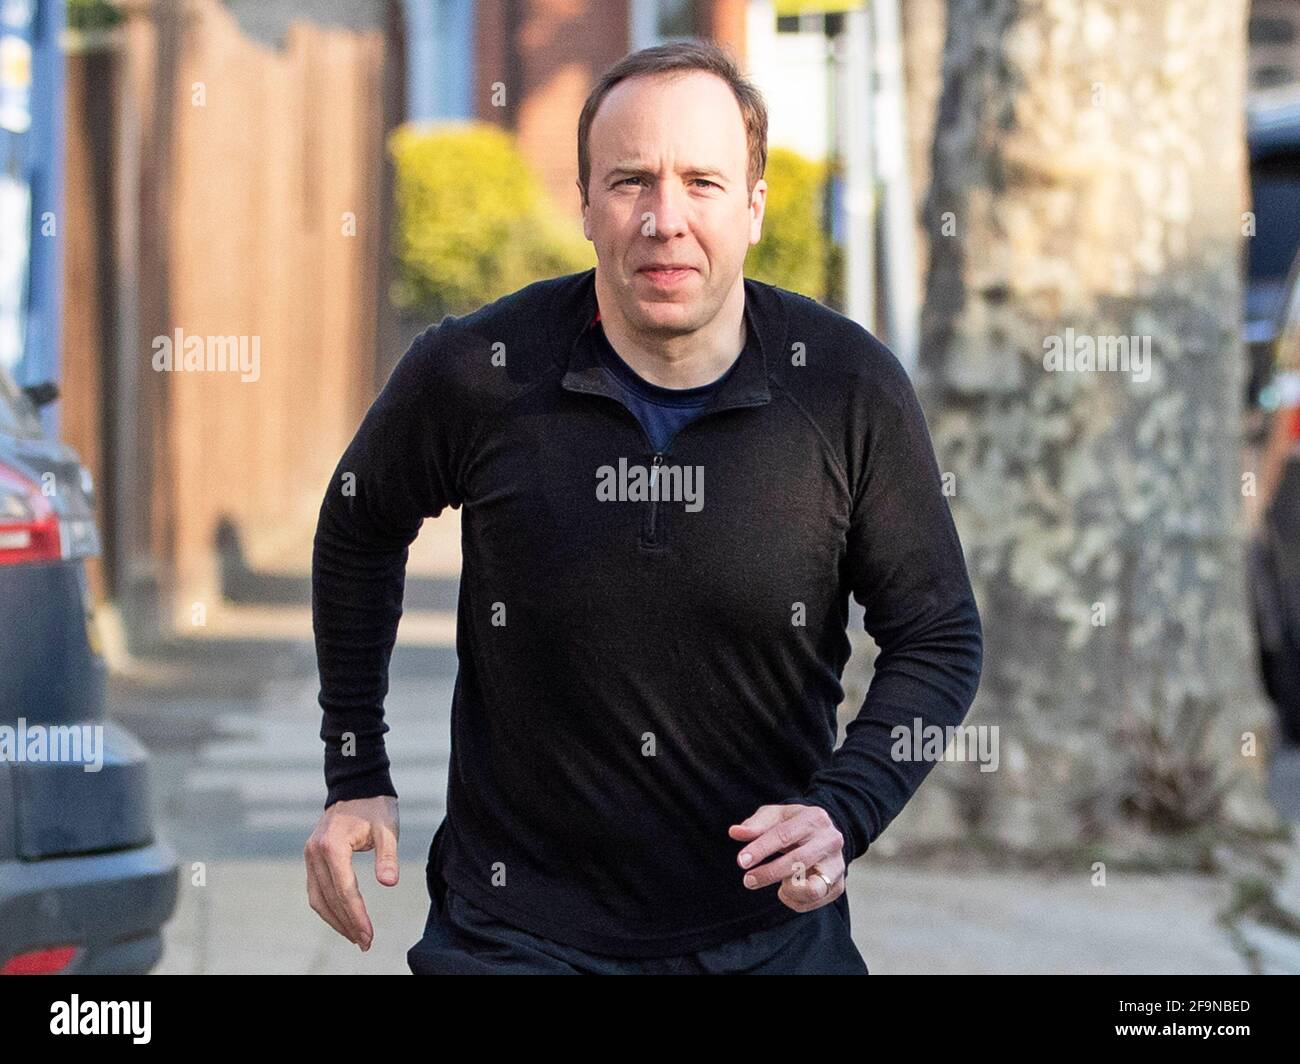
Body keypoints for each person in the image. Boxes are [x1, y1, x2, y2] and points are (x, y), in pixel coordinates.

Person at [305, 39, 983, 975]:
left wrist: (843, 811)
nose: (665, 220)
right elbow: (357, 528)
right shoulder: (480, 372)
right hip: (515, 933)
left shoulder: (842, 386)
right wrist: (356, 776)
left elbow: (939, 632)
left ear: (753, 204)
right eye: (631, 182)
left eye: (702, 182)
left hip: (764, 933)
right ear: (585, 204)